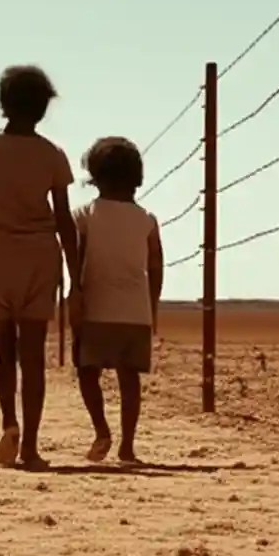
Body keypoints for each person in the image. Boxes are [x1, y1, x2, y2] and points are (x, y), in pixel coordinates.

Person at [0, 65, 80, 470]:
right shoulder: (52, 155)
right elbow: (63, 217)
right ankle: (29, 445)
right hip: (38, 256)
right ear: (43, 107)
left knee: (2, 350)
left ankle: (8, 420)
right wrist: (76, 274)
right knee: (33, 354)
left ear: (3, 104)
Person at [70, 136, 163, 466]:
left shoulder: (84, 215)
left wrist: (74, 295)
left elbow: (75, 260)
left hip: (98, 307)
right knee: (129, 379)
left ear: (94, 175)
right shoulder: (147, 220)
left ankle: (101, 430)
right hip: (135, 312)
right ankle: (127, 446)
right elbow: (156, 267)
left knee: (86, 370)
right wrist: (152, 308)